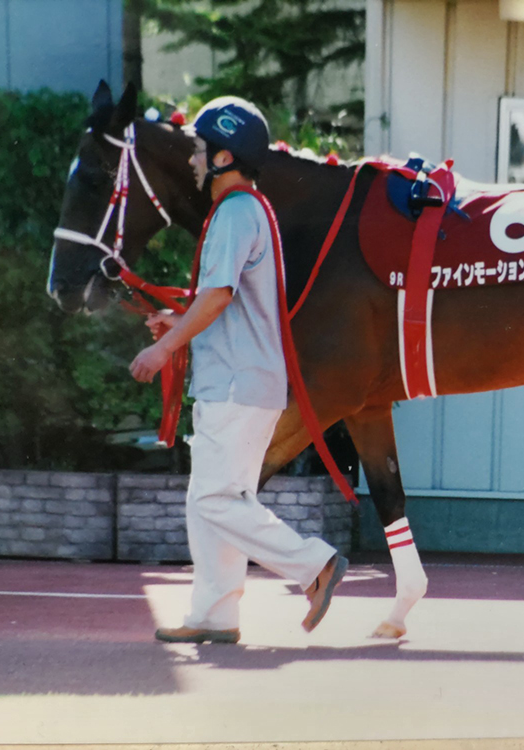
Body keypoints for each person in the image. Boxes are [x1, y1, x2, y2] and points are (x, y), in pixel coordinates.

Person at [129, 96, 348, 644]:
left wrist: (164, 349)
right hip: (245, 382)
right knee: (213, 500)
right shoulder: (249, 211)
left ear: (226, 158)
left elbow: (219, 296)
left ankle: (313, 565)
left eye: (202, 150)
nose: (194, 160)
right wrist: (175, 319)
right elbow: (222, 299)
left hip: (236, 384)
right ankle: (215, 616)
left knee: (214, 500)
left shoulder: (233, 213)